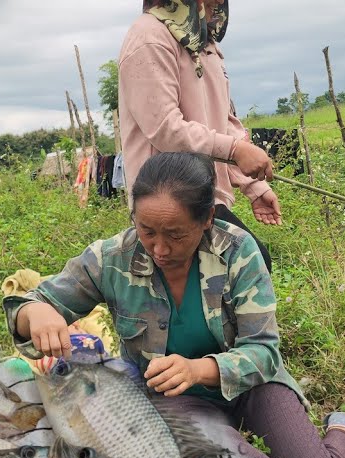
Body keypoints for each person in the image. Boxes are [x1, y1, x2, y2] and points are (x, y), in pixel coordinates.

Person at [6, 152, 345, 458]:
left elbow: (264, 352)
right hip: (175, 401)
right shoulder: (111, 258)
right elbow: (28, 305)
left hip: (254, 385)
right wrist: (36, 314)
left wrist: (199, 370)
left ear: (207, 220)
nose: (159, 248)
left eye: (175, 234)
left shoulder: (238, 252)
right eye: (147, 231)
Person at [118, 0, 280, 271]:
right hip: (168, 200)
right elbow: (166, 129)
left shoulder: (205, 44)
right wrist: (235, 151)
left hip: (206, 195)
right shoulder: (149, 37)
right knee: (251, 265)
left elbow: (223, 124)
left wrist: (253, 186)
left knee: (240, 274)